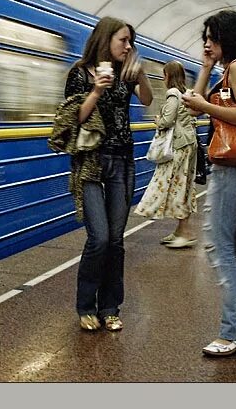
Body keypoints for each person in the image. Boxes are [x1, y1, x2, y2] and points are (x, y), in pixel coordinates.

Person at [63, 16, 153, 331]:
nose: (128, 46)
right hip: (91, 163)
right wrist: (97, 90)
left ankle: (110, 307)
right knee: (99, 238)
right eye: (123, 40)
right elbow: (76, 117)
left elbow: (147, 100)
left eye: (131, 42)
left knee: (116, 240)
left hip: (123, 161)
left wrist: (140, 74)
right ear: (105, 40)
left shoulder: (126, 73)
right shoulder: (79, 73)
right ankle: (86, 307)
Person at [181, 10, 236, 357]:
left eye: (212, 36)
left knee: (219, 247)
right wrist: (203, 69)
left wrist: (207, 107)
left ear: (227, 37)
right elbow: (193, 109)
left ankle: (233, 332)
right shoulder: (228, 70)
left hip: (231, 168)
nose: (207, 42)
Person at [134, 60, 198, 248]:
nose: (163, 79)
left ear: (168, 76)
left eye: (164, 75)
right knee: (184, 186)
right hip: (187, 144)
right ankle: (180, 230)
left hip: (177, 146)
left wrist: (158, 120)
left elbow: (167, 121)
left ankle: (184, 232)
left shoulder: (173, 94)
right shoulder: (187, 93)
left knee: (174, 185)